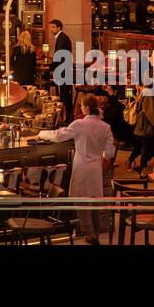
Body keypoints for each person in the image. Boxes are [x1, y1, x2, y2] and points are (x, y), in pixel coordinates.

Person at [38, 95, 115, 244]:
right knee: (94, 202)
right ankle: (95, 233)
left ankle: (90, 233)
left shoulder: (79, 124)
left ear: (86, 107)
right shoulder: (105, 127)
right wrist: (102, 157)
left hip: (81, 167)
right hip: (95, 169)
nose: (80, 108)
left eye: (81, 105)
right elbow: (110, 152)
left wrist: (42, 134)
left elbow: (58, 135)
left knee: (81, 201)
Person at [128, 86, 154, 174]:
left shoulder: (147, 91)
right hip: (146, 125)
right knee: (147, 145)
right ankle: (142, 169)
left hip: (145, 125)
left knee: (143, 146)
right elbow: (150, 112)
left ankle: (132, 162)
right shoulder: (148, 92)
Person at [49, 19, 74, 119]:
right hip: (65, 69)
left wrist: (51, 68)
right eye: (51, 27)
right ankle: (68, 117)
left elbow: (58, 55)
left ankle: (68, 117)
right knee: (65, 94)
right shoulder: (62, 37)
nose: (51, 29)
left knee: (65, 95)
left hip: (64, 70)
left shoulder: (61, 38)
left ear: (59, 27)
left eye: (53, 27)